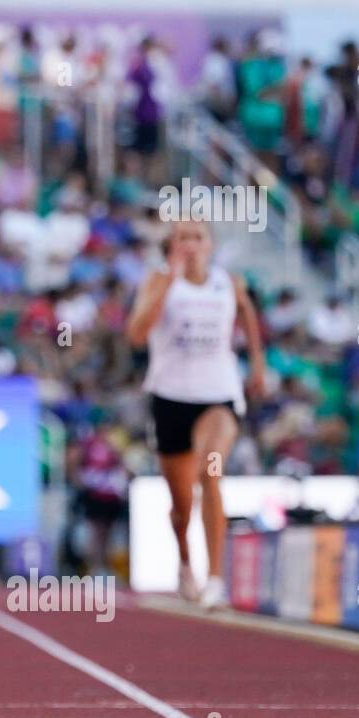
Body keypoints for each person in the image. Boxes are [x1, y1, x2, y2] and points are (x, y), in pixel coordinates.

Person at [126, 217, 264, 609]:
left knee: (212, 470)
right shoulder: (158, 281)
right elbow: (136, 335)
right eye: (182, 238)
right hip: (170, 397)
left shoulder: (228, 282)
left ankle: (216, 578)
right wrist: (170, 280)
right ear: (172, 245)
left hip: (218, 395)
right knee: (182, 504)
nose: (190, 244)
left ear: (210, 244)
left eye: (197, 237)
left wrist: (257, 365)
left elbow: (249, 317)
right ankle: (187, 563)